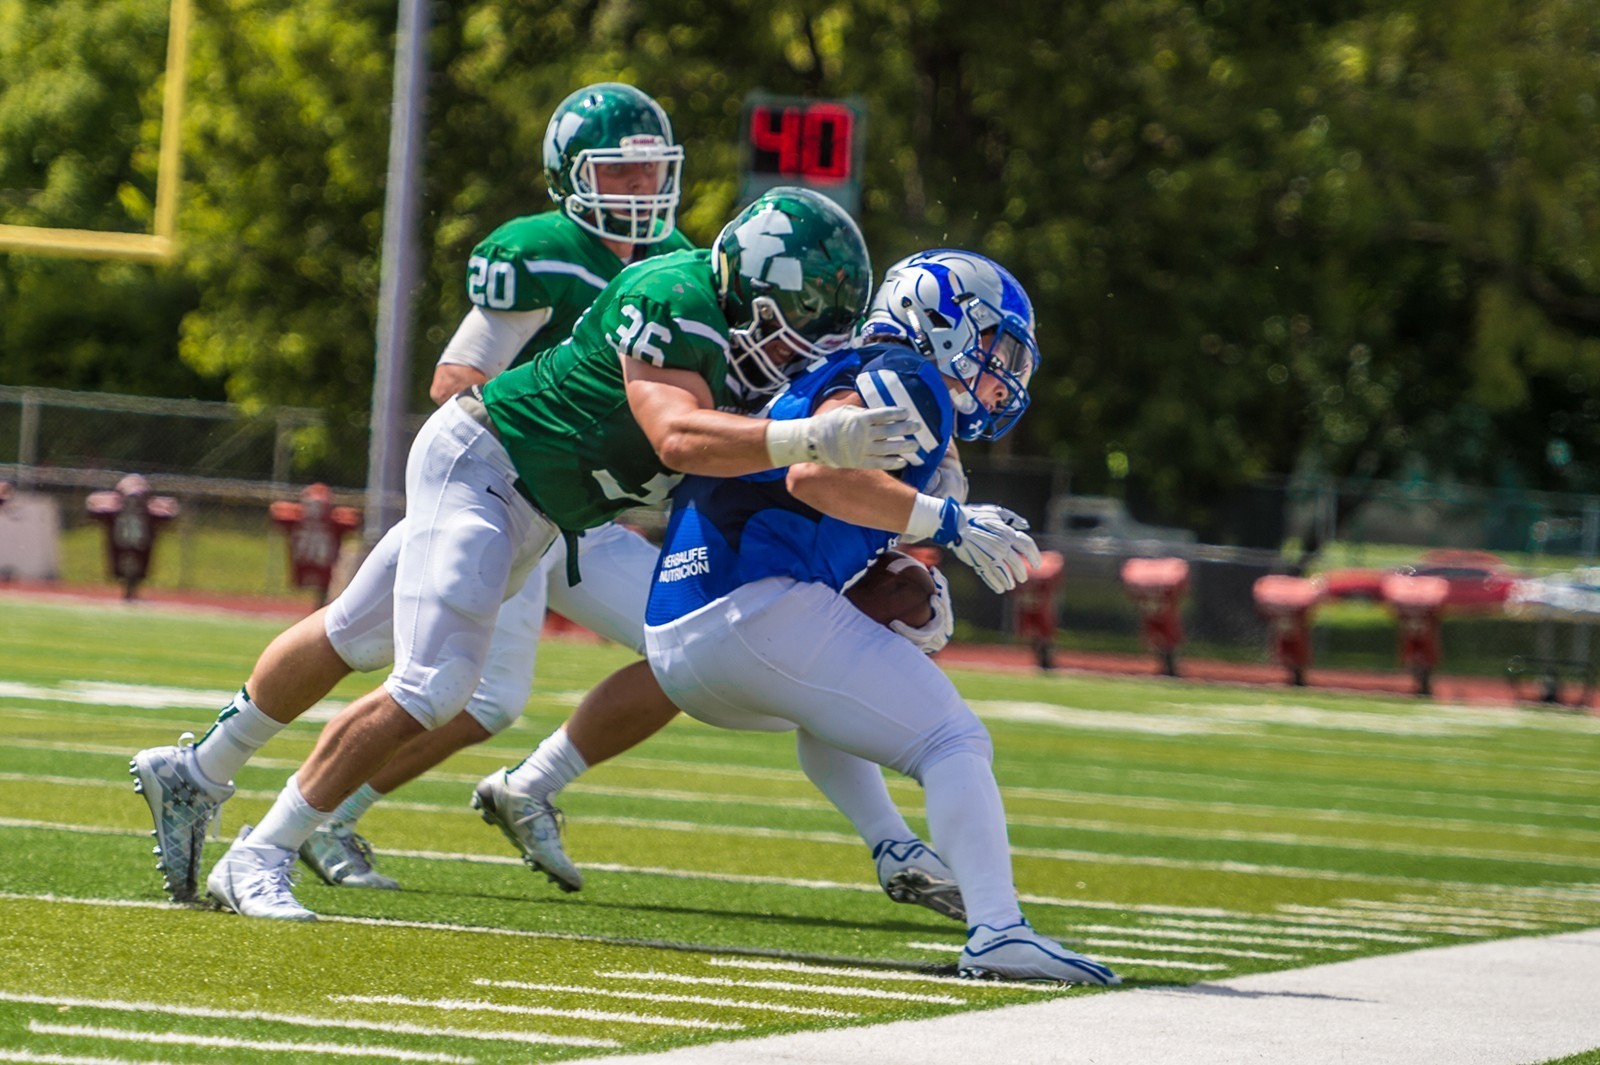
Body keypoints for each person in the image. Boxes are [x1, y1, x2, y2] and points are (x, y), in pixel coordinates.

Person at [130, 184, 921, 919]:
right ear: (744, 293)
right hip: (486, 461)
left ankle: (196, 770)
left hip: (541, 506)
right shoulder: (670, 296)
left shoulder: (748, 336)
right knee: (438, 683)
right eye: (787, 328)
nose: (793, 354)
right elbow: (678, 437)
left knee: (355, 634)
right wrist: (808, 436)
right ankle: (262, 852)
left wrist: (909, 532)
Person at [477, 250, 1117, 983]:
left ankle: (893, 844)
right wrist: (948, 522)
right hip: (750, 607)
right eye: (996, 346)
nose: (1003, 371)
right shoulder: (904, 375)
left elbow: (811, 502)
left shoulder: (842, 373)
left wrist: (901, 570)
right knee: (952, 738)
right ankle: (998, 928)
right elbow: (818, 474)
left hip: (684, 635)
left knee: (833, 710)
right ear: (939, 322)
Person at [295, 81, 696, 889]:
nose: (639, 186)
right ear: (572, 175)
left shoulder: (675, 261)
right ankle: (313, 814)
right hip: (513, 491)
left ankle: (529, 785)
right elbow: (455, 380)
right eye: (618, 170)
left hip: (585, 517)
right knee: (465, 691)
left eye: (649, 168)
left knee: (692, 649)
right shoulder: (540, 251)